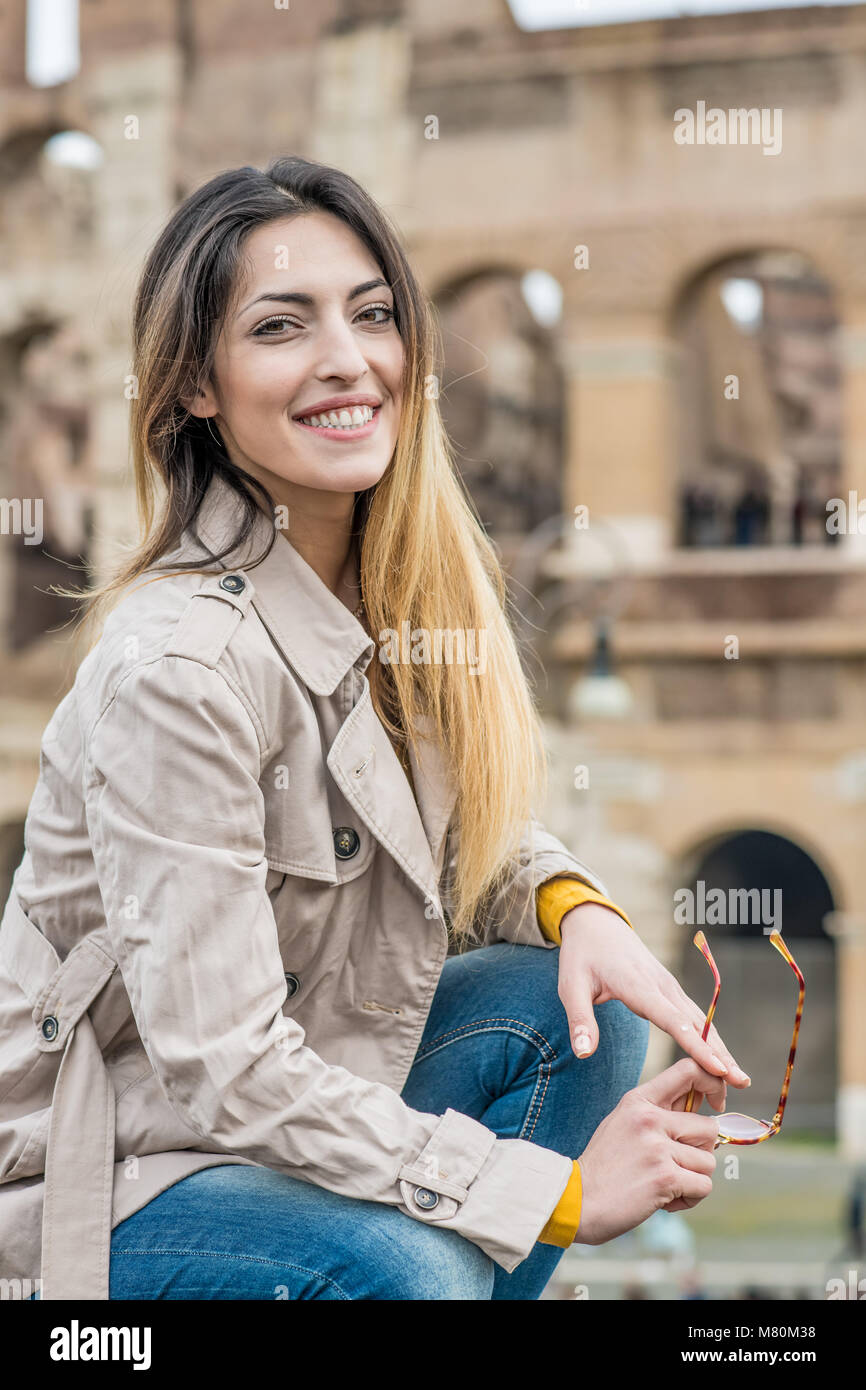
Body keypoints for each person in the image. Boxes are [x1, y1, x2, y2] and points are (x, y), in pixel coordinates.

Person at [0, 156, 750, 1302]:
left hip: (264, 1135)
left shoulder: (399, 604)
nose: (346, 360)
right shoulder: (175, 668)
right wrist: (551, 1197)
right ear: (196, 384)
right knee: (406, 1270)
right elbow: (231, 1069)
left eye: (372, 315)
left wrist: (573, 907)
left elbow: (446, 841)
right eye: (280, 326)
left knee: (560, 1010)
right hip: (108, 1175)